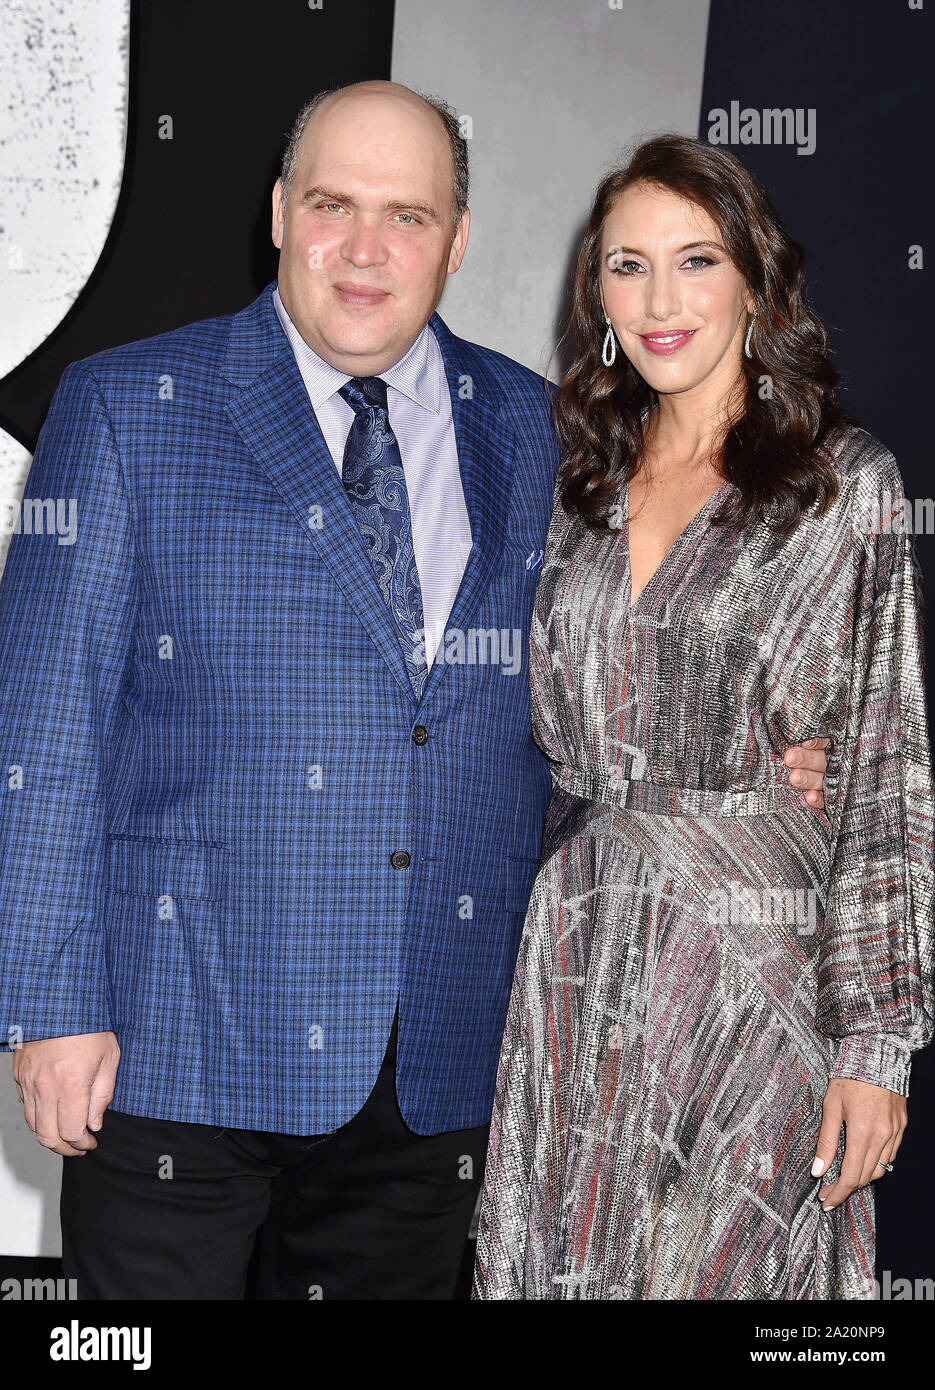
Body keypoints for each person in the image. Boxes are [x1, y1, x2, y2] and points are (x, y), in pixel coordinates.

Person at [0, 87, 827, 1301]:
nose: (366, 247)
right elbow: (41, 731)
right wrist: (46, 1003)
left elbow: (596, 707)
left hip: (439, 1064)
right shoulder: (129, 408)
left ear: (459, 237)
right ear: (279, 213)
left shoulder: (545, 435)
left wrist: (749, 772)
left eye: (408, 213)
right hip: (173, 1059)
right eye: (333, 204)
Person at [472, 134, 933, 1301]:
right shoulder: (576, 478)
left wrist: (874, 1045)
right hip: (576, 957)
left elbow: (883, 774)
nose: (660, 300)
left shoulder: (838, 483)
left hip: (751, 960)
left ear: (752, 279)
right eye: (627, 266)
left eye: (696, 260)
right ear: (596, 292)